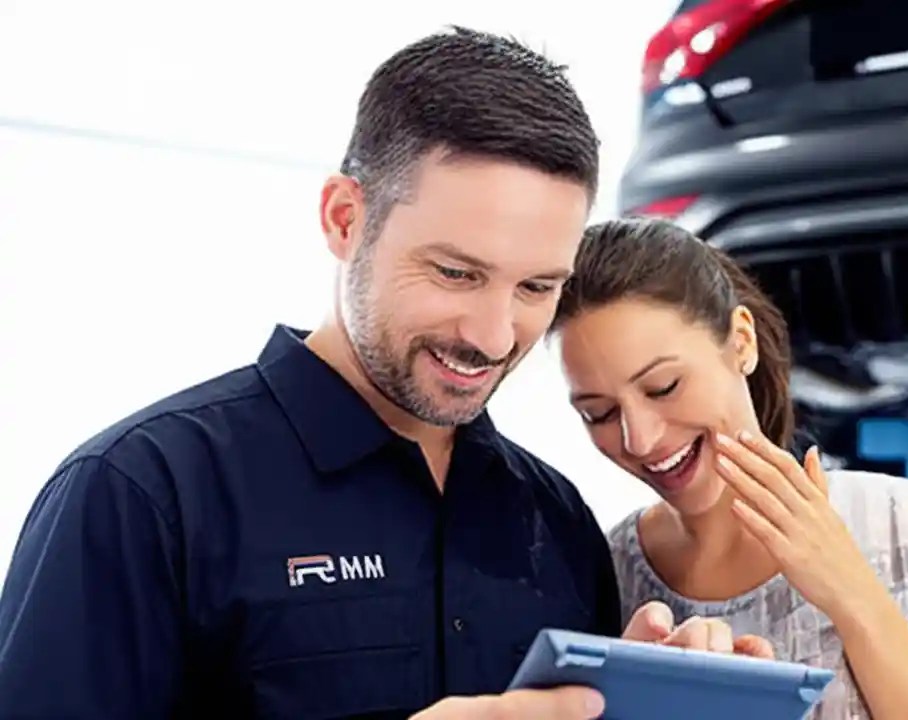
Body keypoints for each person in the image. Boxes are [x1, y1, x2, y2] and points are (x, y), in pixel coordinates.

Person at [0, 29, 764, 720]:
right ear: (343, 219)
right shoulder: (141, 494)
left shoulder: (557, 524)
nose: (495, 337)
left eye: (537, 288)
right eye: (457, 273)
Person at [551, 217, 908, 720]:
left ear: (741, 342)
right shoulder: (609, 570)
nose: (639, 438)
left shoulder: (902, 523)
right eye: (598, 413)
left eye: (664, 387)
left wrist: (850, 592)